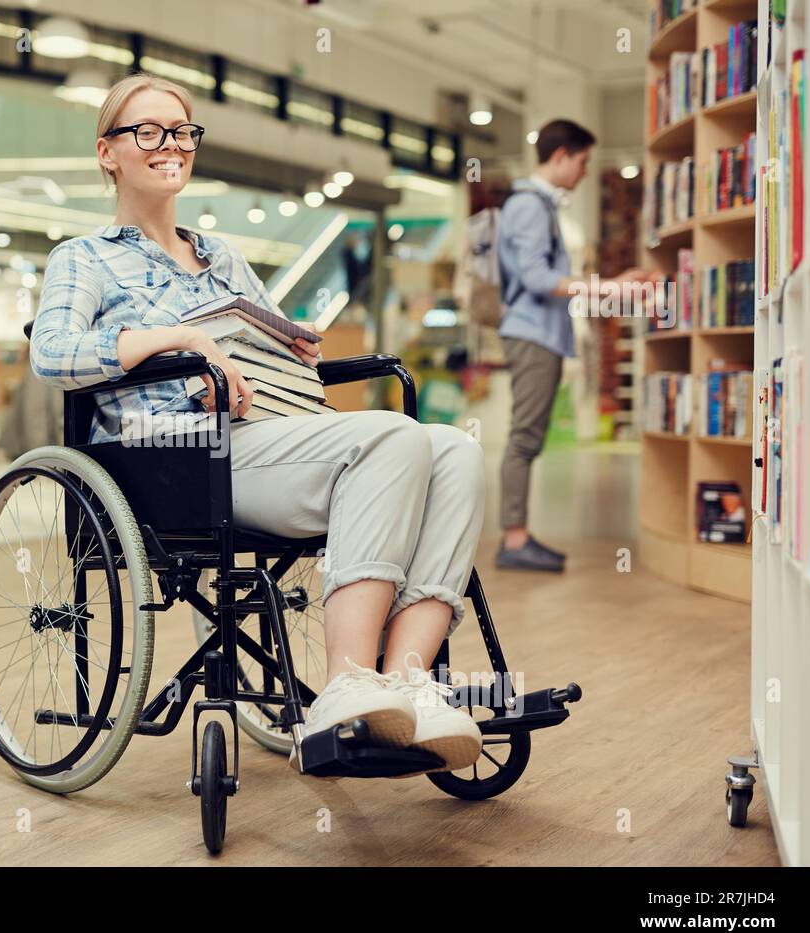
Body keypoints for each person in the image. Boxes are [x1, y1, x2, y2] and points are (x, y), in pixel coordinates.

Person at [30, 73, 486, 773]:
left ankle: (406, 684)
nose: (170, 144)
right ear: (107, 152)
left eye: (182, 132)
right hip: (169, 459)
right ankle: (345, 685)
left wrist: (285, 345)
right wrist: (175, 340)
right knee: (391, 434)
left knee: (454, 449)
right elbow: (52, 354)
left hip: (257, 436)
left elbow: (263, 355)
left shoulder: (225, 259)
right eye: (147, 132)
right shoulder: (85, 259)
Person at [495, 119, 651, 572]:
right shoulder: (528, 206)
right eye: (582, 162)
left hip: (538, 333)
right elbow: (536, 279)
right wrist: (610, 288)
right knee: (524, 438)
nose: (584, 173)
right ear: (560, 155)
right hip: (531, 333)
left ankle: (517, 535)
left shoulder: (537, 205)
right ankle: (514, 539)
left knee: (529, 436)